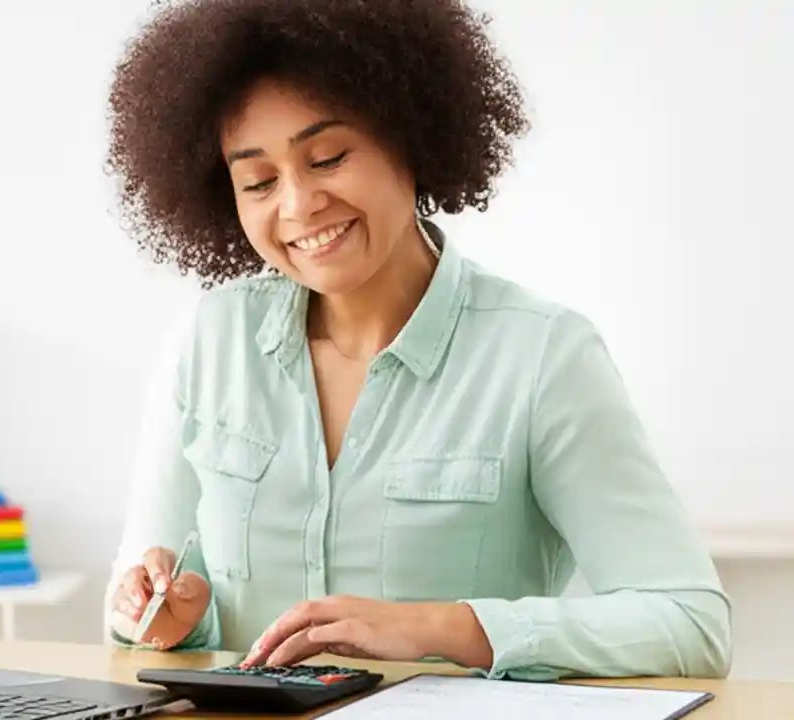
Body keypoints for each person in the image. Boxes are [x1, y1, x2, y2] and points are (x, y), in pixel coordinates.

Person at [99, 0, 732, 681]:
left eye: (329, 157)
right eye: (258, 181)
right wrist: (165, 618)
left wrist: (443, 625)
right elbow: (141, 599)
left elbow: (689, 623)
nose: (297, 205)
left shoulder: (543, 356)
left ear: (410, 135)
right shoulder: (210, 342)